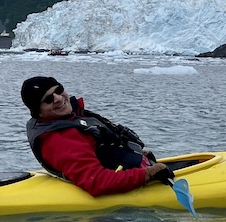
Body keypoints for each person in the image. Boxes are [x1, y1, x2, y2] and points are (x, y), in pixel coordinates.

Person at [22, 76, 171, 196]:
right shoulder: (59, 138)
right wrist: (149, 173)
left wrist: (136, 153)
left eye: (59, 90)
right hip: (119, 183)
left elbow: (95, 149)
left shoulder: (67, 119)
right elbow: (97, 182)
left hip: (127, 170)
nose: (58, 98)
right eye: (48, 99)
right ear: (39, 111)